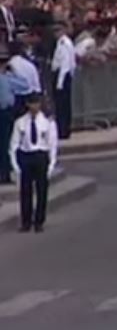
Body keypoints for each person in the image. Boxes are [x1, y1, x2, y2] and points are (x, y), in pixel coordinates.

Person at [10, 90, 56, 231]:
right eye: (32, 103)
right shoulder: (20, 122)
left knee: (42, 191)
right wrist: (16, 165)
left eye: (37, 103)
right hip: (27, 156)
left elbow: (52, 144)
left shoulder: (47, 122)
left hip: (40, 155)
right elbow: (14, 144)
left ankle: (39, 221)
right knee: (25, 191)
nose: (34, 106)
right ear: (27, 105)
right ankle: (26, 221)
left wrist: (51, 164)